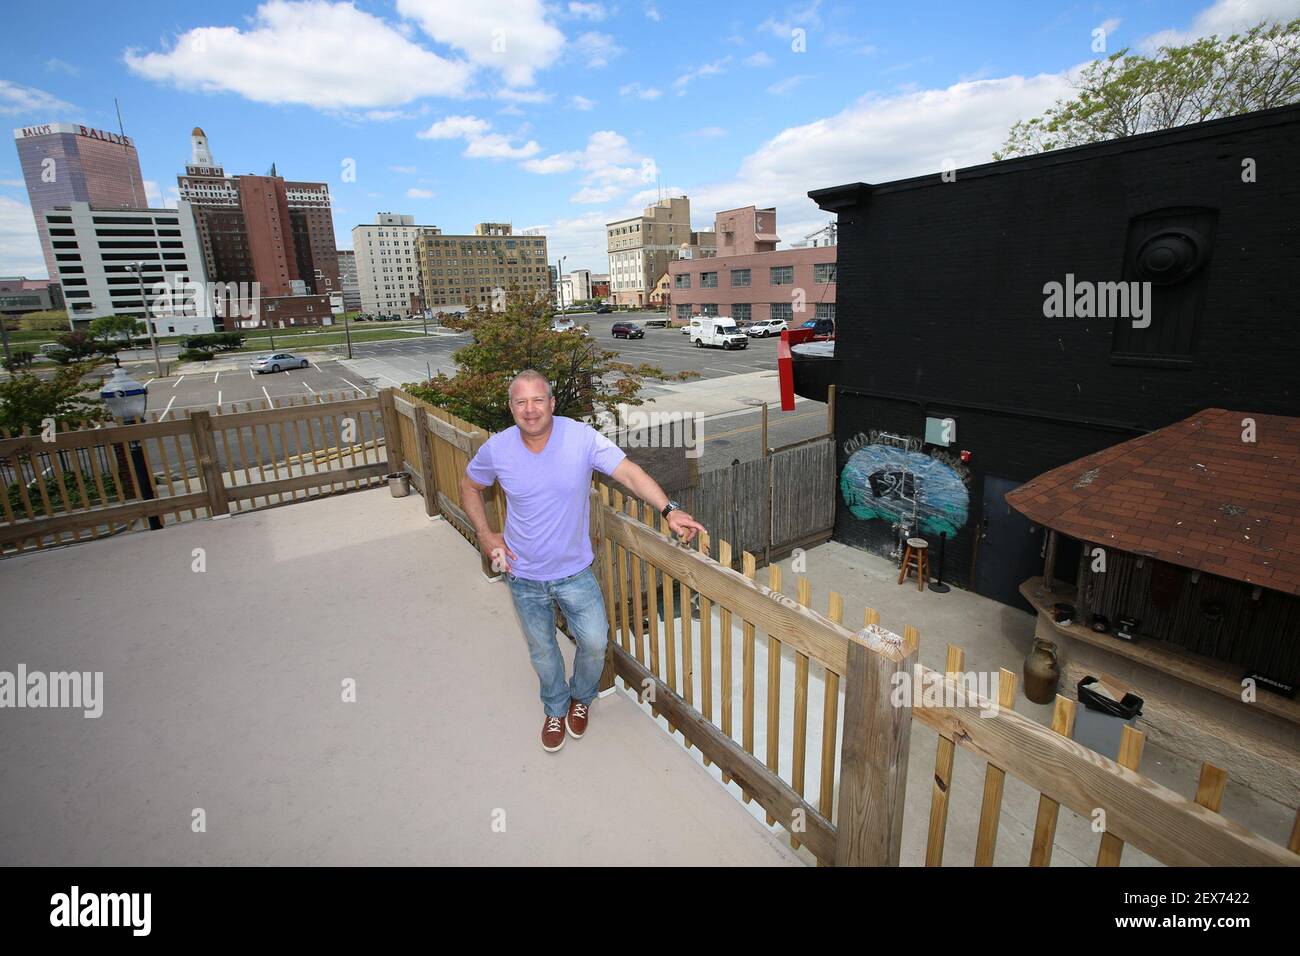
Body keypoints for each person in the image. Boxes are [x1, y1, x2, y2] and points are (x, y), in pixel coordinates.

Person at [461, 370, 706, 753]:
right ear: (510, 408)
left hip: (575, 572)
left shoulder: (580, 437)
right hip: (523, 575)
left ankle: (582, 697)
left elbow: (628, 472)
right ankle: (556, 707)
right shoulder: (497, 449)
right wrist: (485, 533)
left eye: (538, 399)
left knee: (594, 643)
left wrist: (668, 508)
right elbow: (469, 486)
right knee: (543, 651)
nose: (530, 409)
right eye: (521, 402)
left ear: (552, 403)